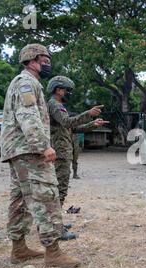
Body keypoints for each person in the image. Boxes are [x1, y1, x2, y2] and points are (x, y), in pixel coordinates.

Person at [0, 43, 80, 268]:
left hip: (18, 150)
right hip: (29, 150)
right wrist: (44, 145)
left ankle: (19, 248)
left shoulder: (24, 82)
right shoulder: (27, 83)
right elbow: (28, 116)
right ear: (31, 60)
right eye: (45, 60)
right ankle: (53, 252)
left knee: (20, 199)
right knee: (46, 196)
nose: (48, 64)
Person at [46, 76, 107, 211]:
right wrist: (88, 113)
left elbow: (72, 129)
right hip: (60, 151)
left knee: (60, 188)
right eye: (67, 90)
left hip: (62, 150)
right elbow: (68, 122)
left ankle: (55, 222)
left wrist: (93, 124)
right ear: (58, 90)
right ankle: (54, 225)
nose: (69, 93)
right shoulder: (54, 104)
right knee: (60, 188)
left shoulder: (57, 105)